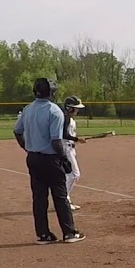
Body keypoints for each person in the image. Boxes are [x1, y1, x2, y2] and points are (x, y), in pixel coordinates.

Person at [13, 78, 84, 244]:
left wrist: (27, 147)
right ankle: (69, 233)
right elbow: (56, 140)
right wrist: (64, 158)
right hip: (51, 158)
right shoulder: (54, 111)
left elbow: (17, 131)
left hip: (33, 158)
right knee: (60, 196)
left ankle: (43, 235)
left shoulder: (28, 109)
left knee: (39, 198)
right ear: (52, 92)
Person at [62, 95, 89, 210]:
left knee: (69, 175)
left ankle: (64, 199)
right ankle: (64, 199)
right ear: (69, 108)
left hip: (70, 148)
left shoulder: (69, 119)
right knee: (75, 174)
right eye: (75, 108)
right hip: (66, 149)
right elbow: (63, 134)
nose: (77, 110)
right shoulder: (66, 118)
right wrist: (77, 139)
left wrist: (76, 139)